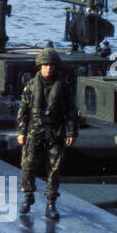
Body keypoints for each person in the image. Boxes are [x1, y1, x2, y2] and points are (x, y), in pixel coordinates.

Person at [15, 47, 78, 220]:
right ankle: (28, 196)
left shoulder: (63, 86)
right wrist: (21, 131)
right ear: (40, 67)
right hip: (34, 130)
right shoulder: (31, 85)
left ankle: (51, 203)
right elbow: (23, 110)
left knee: (54, 168)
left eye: (51, 65)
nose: (48, 68)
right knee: (28, 164)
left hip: (55, 130)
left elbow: (71, 111)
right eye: (45, 65)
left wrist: (71, 131)